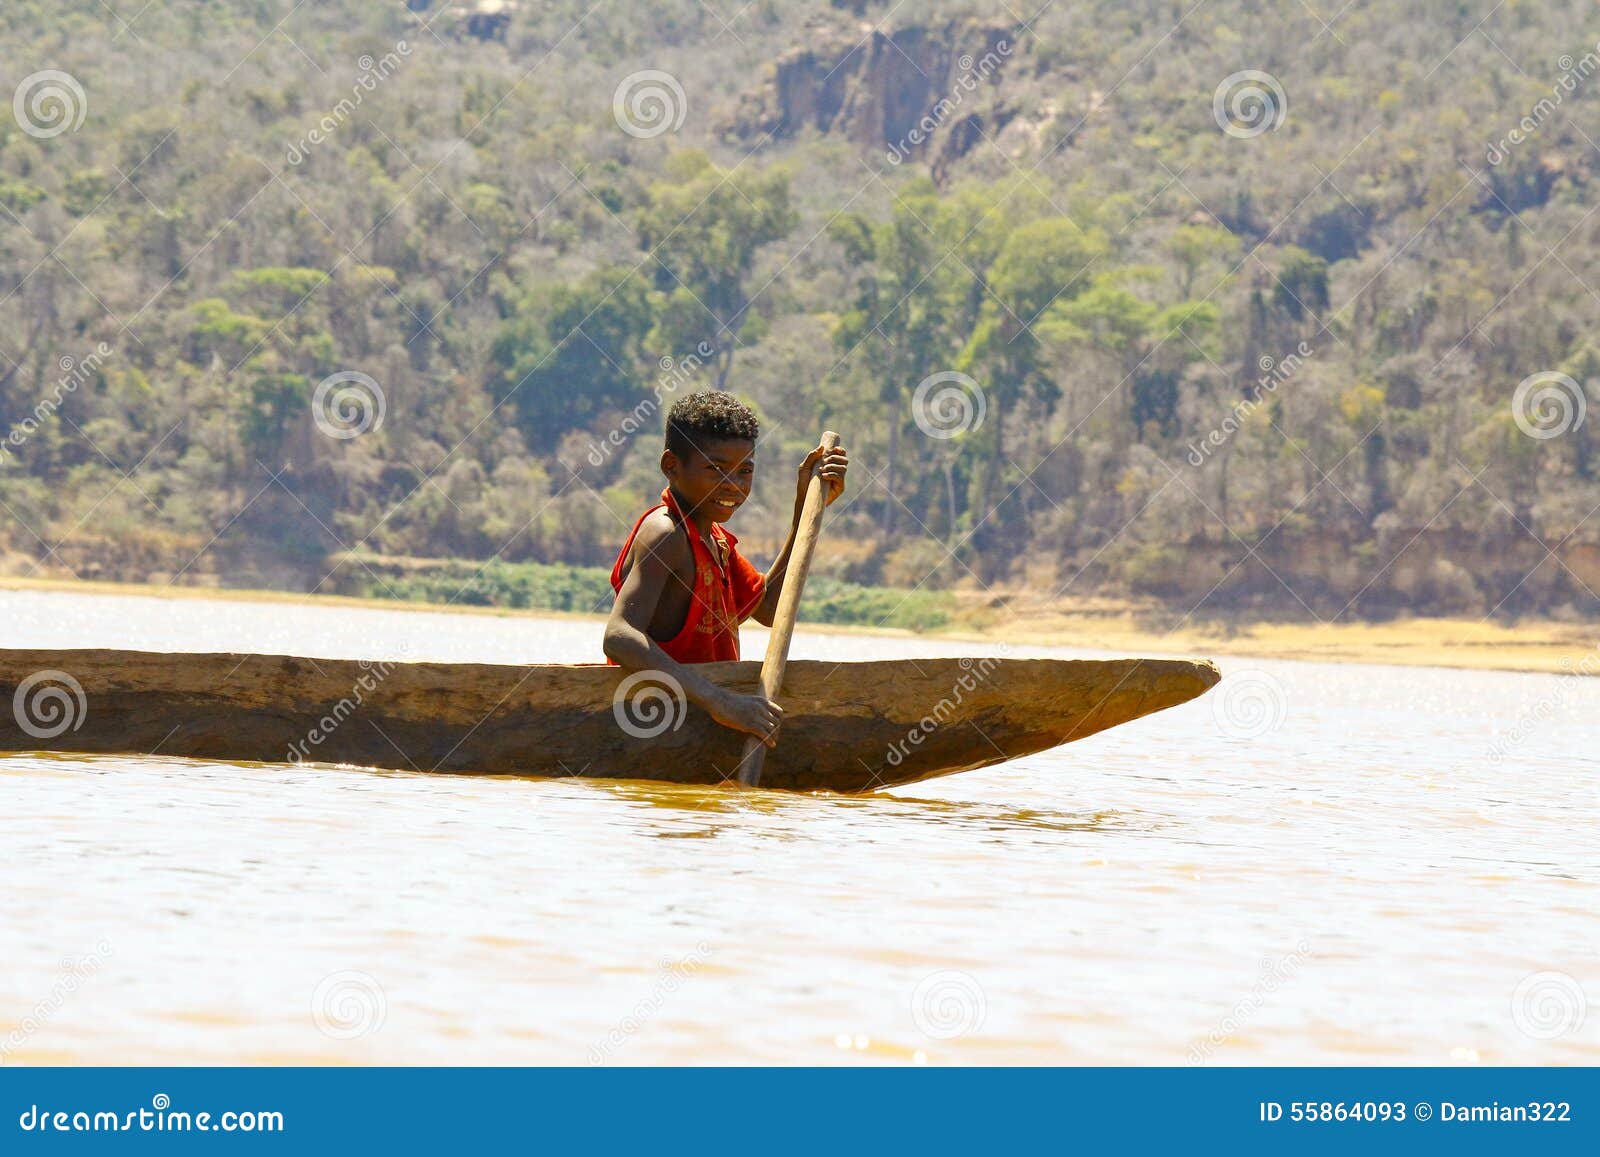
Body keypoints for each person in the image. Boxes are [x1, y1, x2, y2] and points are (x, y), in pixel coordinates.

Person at [603, 390, 848, 748]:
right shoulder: (665, 533)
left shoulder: (714, 539)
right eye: (715, 469)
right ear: (672, 466)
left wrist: (806, 509)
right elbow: (620, 635)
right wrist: (720, 702)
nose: (733, 486)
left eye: (745, 471)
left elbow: (769, 609)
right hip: (652, 723)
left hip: (701, 723)